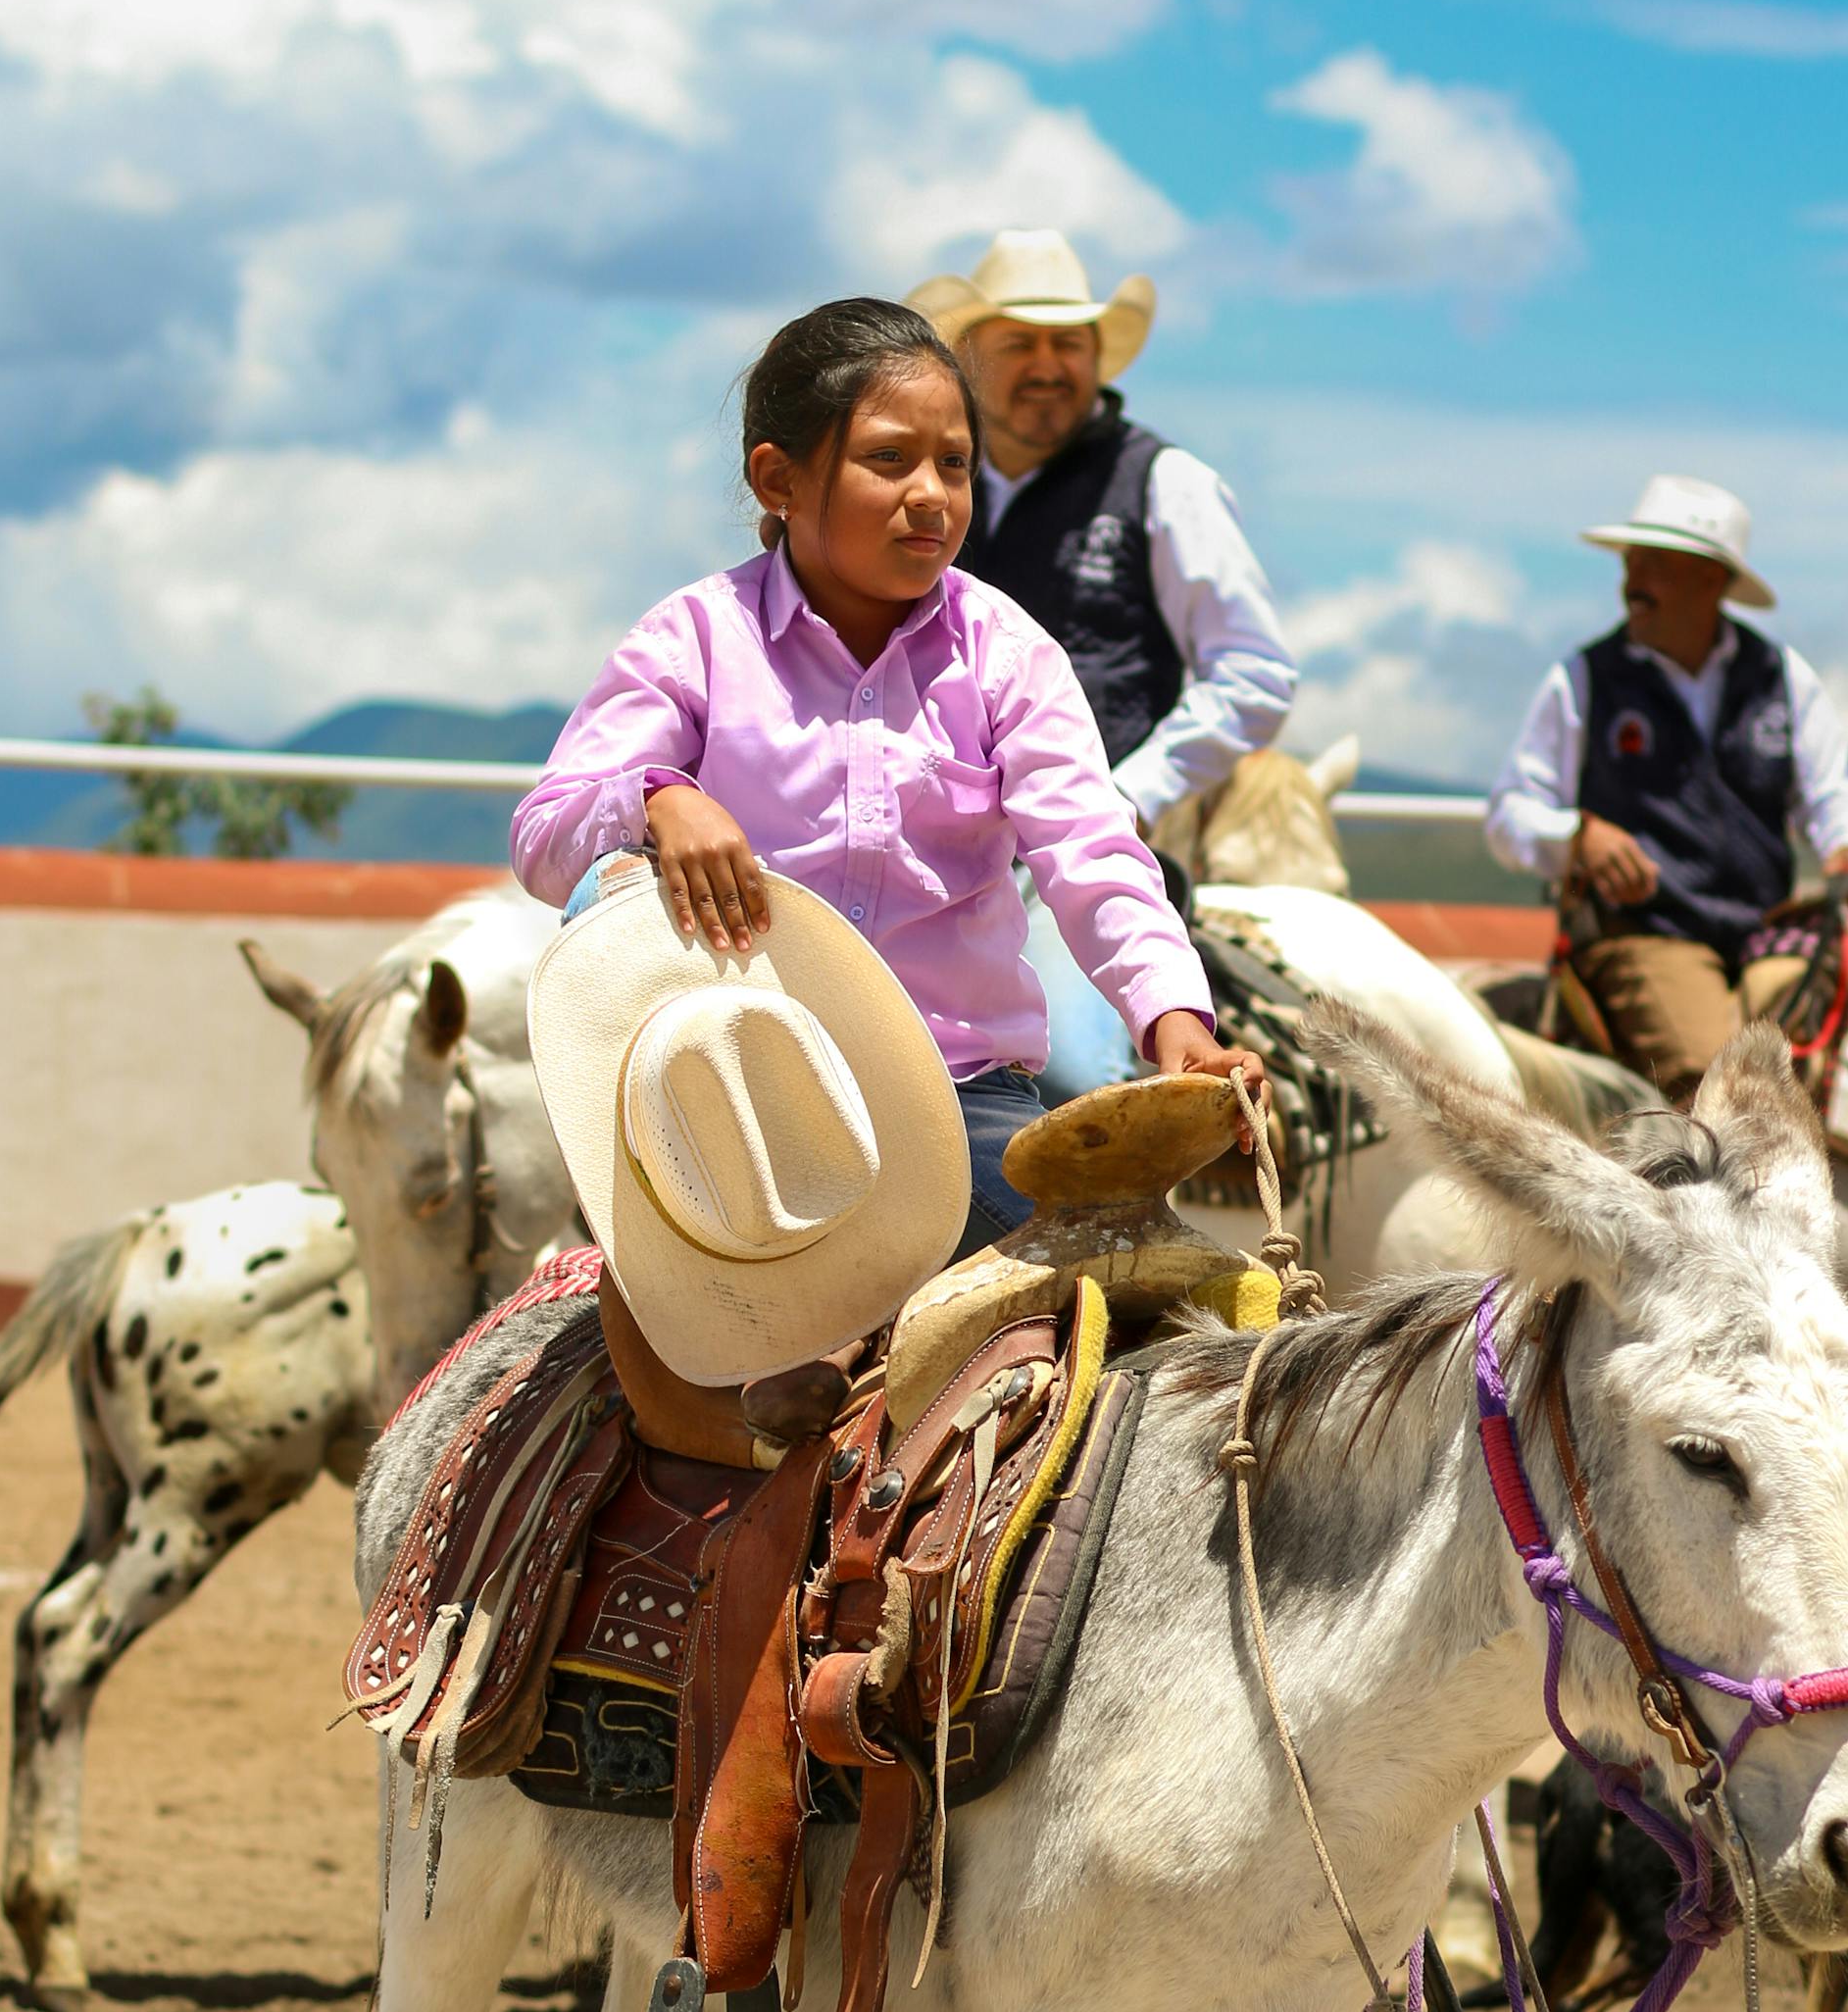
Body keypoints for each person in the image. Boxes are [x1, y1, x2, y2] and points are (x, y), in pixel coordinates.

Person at [511, 297, 1260, 1264]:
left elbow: (1091, 849)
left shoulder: (1005, 654)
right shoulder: (693, 639)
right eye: (888, 460)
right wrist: (661, 797)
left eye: (952, 463)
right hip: (745, 1107)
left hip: (957, 1104)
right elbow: (545, 831)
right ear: (777, 478)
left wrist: (1173, 1015)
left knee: (1144, 1295)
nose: (932, 495)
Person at [908, 227, 1297, 1091]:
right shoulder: (929, 486)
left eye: (1070, 344)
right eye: (1021, 344)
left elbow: (1256, 673)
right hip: (928, 846)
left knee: (1071, 1080)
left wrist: (1129, 794)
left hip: (1076, 851)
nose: (1049, 364)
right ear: (967, 358)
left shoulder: (1162, 481)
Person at [1485, 474, 1848, 1107]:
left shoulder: (1783, 678)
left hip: (1762, 930)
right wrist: (1578, 837)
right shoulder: (1586, 677)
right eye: (1631, 561)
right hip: (1644, 930)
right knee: (1710, 1083)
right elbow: (1510, 813)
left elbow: (1830, 794)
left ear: (1712, 580)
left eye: (1654, 564)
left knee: (1828, 1048)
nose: (1630, 581)